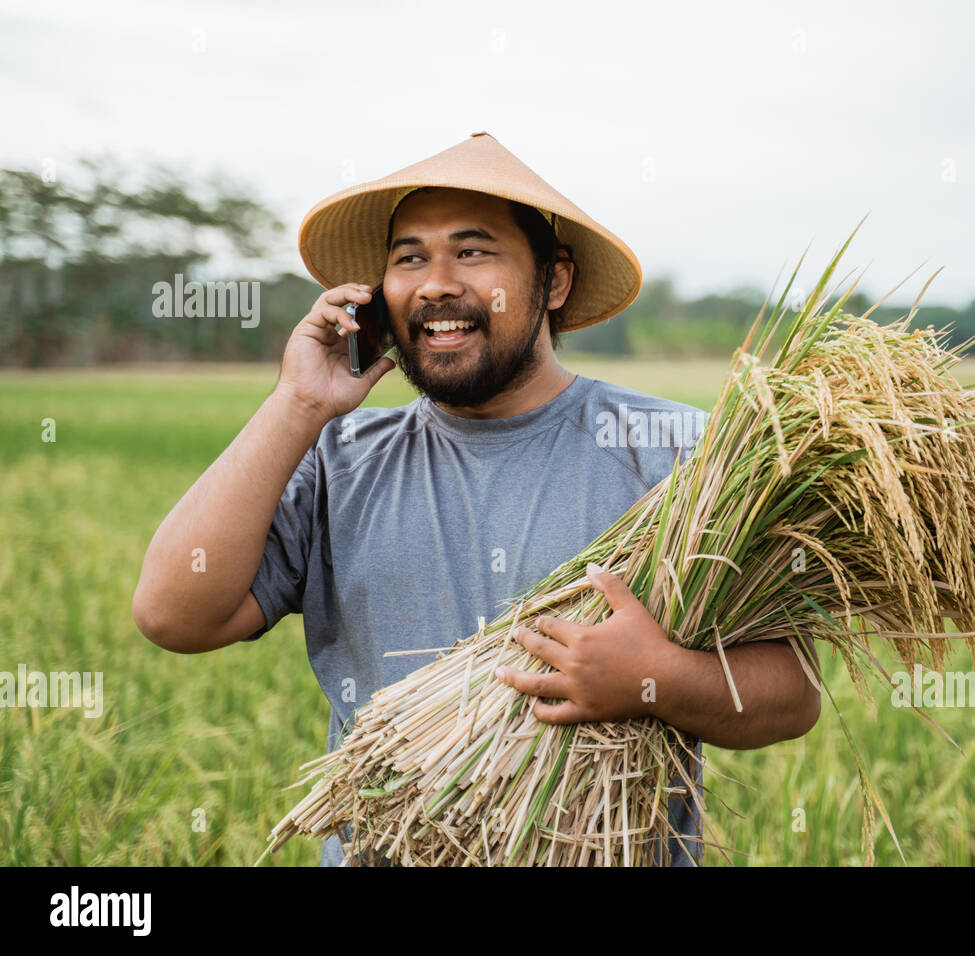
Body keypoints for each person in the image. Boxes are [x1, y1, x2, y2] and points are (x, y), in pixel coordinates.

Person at [132, 131, 821, 866]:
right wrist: (298, 403)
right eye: (408, 257)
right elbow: (174, 613)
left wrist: (654, 681)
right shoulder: (338, 459)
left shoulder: (681, 455)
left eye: (472, 251)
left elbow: (791, 693)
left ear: (553, 282)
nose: (434, 283)